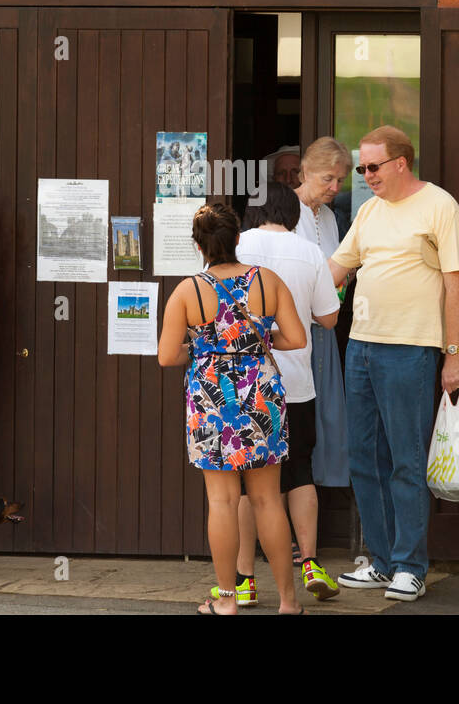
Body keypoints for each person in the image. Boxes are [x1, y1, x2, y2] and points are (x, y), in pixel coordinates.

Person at [328, 125, 459, 601]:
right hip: (361, 347)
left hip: (411, 349)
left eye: (373, 166)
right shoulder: (368, 211)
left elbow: (455, 284)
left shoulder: (439, 206)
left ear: (400, 163)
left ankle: (411, 566)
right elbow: (337, 269)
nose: (366, 175)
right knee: (363, 458)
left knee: (406, 461)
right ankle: (382, 561)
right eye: (361, 168)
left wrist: (454, 354)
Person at [157, 203, 308, 614]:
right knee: (268, 500)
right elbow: (296, 339)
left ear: (198, 245)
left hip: (211, 398)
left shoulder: (187, 290)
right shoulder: (268, 281)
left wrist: (201, 346)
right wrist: (257, 338)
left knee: (222, 502)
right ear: (238, 238)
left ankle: (226, 600)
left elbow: (167, 356)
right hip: (261, 393)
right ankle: (290, 601)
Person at [235, 182, 342, 604]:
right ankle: (310, 561)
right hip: (294, 382)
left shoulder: (235, 246)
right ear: (292, 214)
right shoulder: (309, 252)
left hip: (242, 384)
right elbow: (329, 319)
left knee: (246, 482)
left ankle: (244, 580)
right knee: (299, 471)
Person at [294, 137, 352, 489]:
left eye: (341, 181)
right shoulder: (284, 210)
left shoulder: (330, 216)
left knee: (325, 419)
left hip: (325, 331)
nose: (334, 187)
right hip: (294, 331)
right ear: (305, 171)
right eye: (327, 178)